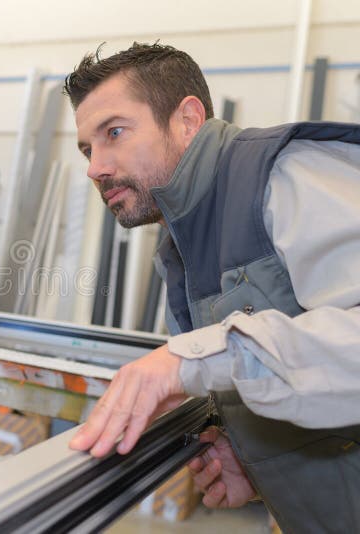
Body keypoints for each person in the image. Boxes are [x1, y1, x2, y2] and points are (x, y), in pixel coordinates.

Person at [62, 42, 360, 532]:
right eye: (87, 149)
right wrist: (262, 465)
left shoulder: (283, 173)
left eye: (114, 132)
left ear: (187, 119)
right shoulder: (181, 242)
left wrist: (194, 357)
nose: (95, 166)